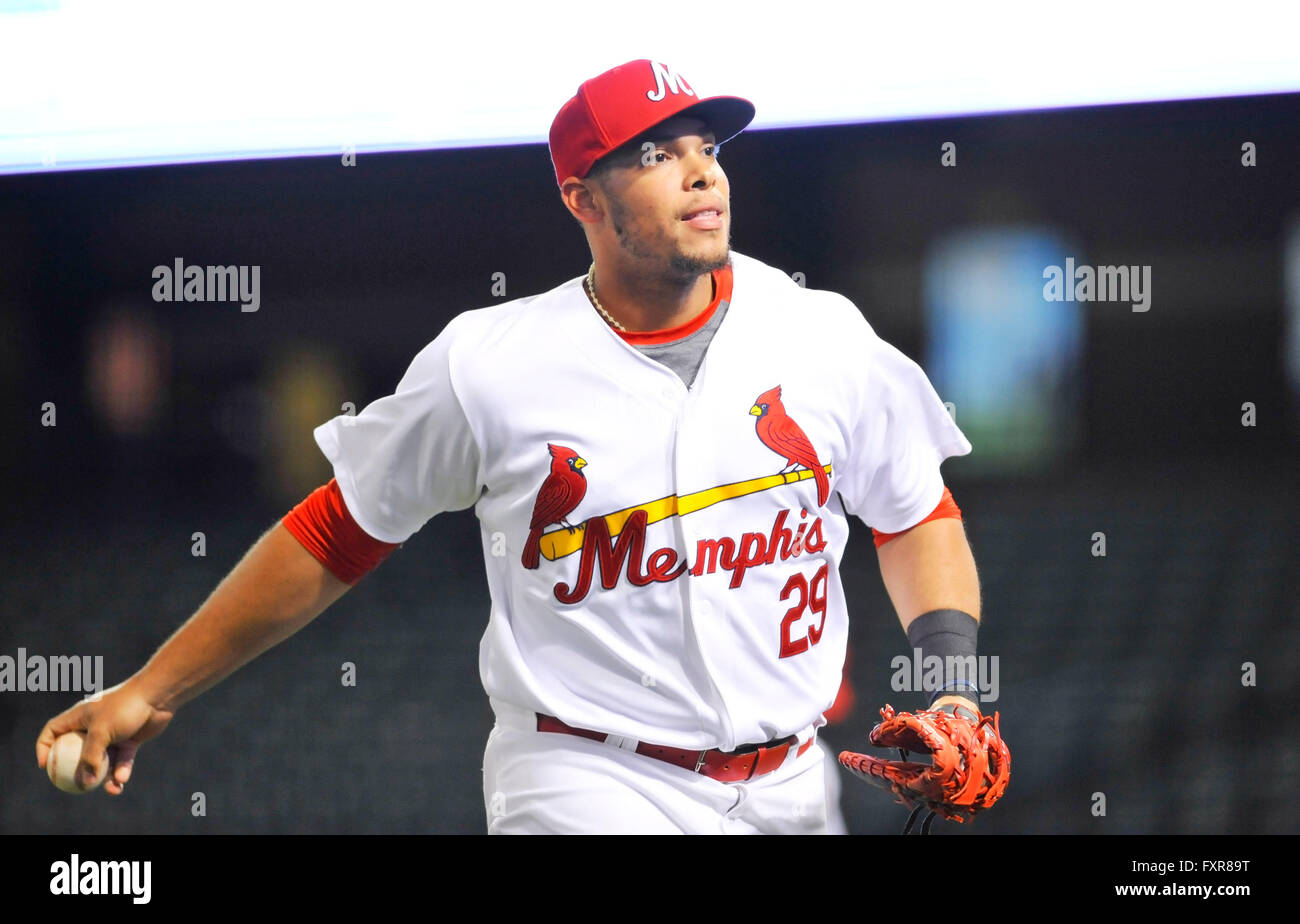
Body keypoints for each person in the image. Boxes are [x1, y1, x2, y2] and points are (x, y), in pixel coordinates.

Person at [36, 59, 984, 834]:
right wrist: (152, 687)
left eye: (708, 147)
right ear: (583, 199)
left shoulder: (819, 334)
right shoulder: (491, 364)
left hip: (793, 785)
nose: (702, 172)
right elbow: (336, 532)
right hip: (585, 779)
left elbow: (916, 511)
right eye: (657, 153)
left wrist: (950, 686)